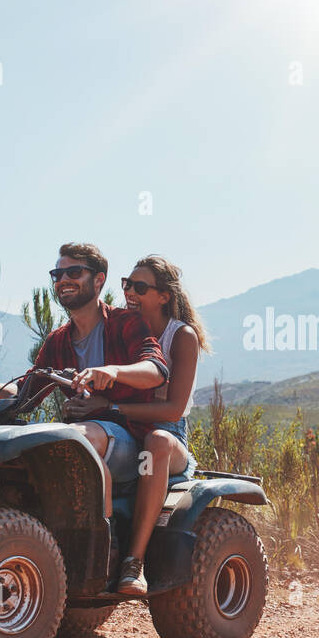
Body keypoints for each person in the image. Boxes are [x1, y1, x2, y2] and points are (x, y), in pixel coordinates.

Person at [0, 242, 168, 489]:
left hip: (128, 438)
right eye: (58, 274)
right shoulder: (57, 341)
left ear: (99, 280)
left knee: (70, 440)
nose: (63, 280)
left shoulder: (125, 323)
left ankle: (100, 525)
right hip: (79, 433)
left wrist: (112, 371)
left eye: (74, 273)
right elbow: (25, 396)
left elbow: (156, 370)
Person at [73, 255, 207, 595]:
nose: (130, 292)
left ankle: (135, 563)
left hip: (167, 435)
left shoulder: (181, 336)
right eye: (127, 284)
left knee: (158, 442)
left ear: (164, 296)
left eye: (140, 287)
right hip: (126, 428)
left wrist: (113, 407)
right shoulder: (124, 330)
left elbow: (174, 410)